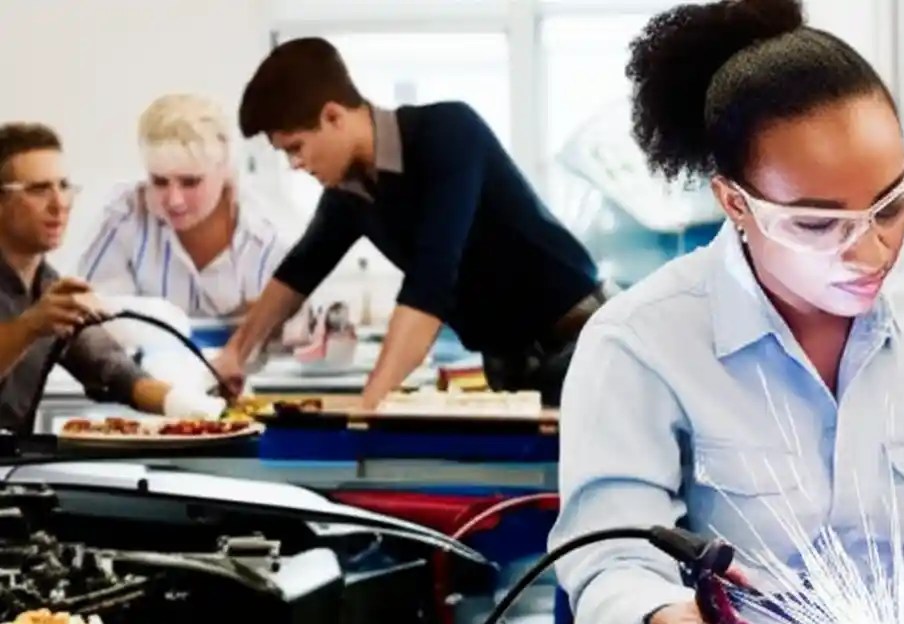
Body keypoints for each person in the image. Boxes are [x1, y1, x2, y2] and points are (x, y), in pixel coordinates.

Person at [548, 0, 904, 624]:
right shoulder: (641, 342)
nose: (870, 251)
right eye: (818, 224)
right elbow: (610, 558)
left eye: (892, 205)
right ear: (735, 204)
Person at [212, 38, 604, 409]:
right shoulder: (350, 192)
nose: (294, 164)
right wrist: (236, 353)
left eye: (295, 147)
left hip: (581, 341)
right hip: (511, 361)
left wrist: (367, 410)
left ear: (333, 116)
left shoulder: (449, 133)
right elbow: (300, 270)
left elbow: (431, 280)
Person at [0, 123, 223, 429]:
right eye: (39, 189)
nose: (60, 203)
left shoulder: (48, 286)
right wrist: (29, 326)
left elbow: (111, 369)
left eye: (64, 186)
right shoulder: (42, 308)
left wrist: (193, 407)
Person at [77, 94, 286, 318]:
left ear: (224, 171)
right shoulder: (124, 217)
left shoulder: (271, 232)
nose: (174, 200)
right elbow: (92, 315)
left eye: (190, 182)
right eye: (159, 181)